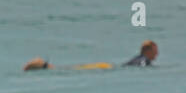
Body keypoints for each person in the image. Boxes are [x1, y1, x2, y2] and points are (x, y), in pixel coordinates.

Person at [22, 40, 157, 71]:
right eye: (155, 50)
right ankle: (44, 66)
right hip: (107, 67)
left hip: (106, 66)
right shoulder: (144, 61)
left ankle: (44, 66)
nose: (157, 54)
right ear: (148, 50)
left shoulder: (139, 58)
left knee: (74, 68)